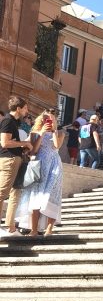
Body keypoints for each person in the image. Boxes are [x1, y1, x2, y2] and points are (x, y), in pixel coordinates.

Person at [15, 108, 65, 236]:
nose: (47, 121)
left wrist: (53, 130)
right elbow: (33, 151)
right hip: (39, 165)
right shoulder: (35, 133)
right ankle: (34, 229)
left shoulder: (60, 132)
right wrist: (42, 133)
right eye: (45, 118)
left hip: (54, 166)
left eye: (51, 119)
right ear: (41, 119)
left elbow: (57, 146)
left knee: (52, 195)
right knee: (36, 195)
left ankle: (49, 228)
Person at [0, 95, 32, 237]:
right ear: (18, 108)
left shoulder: (14, 122)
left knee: (13, 193)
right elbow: (5, 143)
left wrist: (22, 147)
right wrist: (24, 143)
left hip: (14, 159)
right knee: (2, 193)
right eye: (25, 108)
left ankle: (10, 227)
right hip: (9, 160)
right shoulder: (8, 120)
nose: (27, 111)